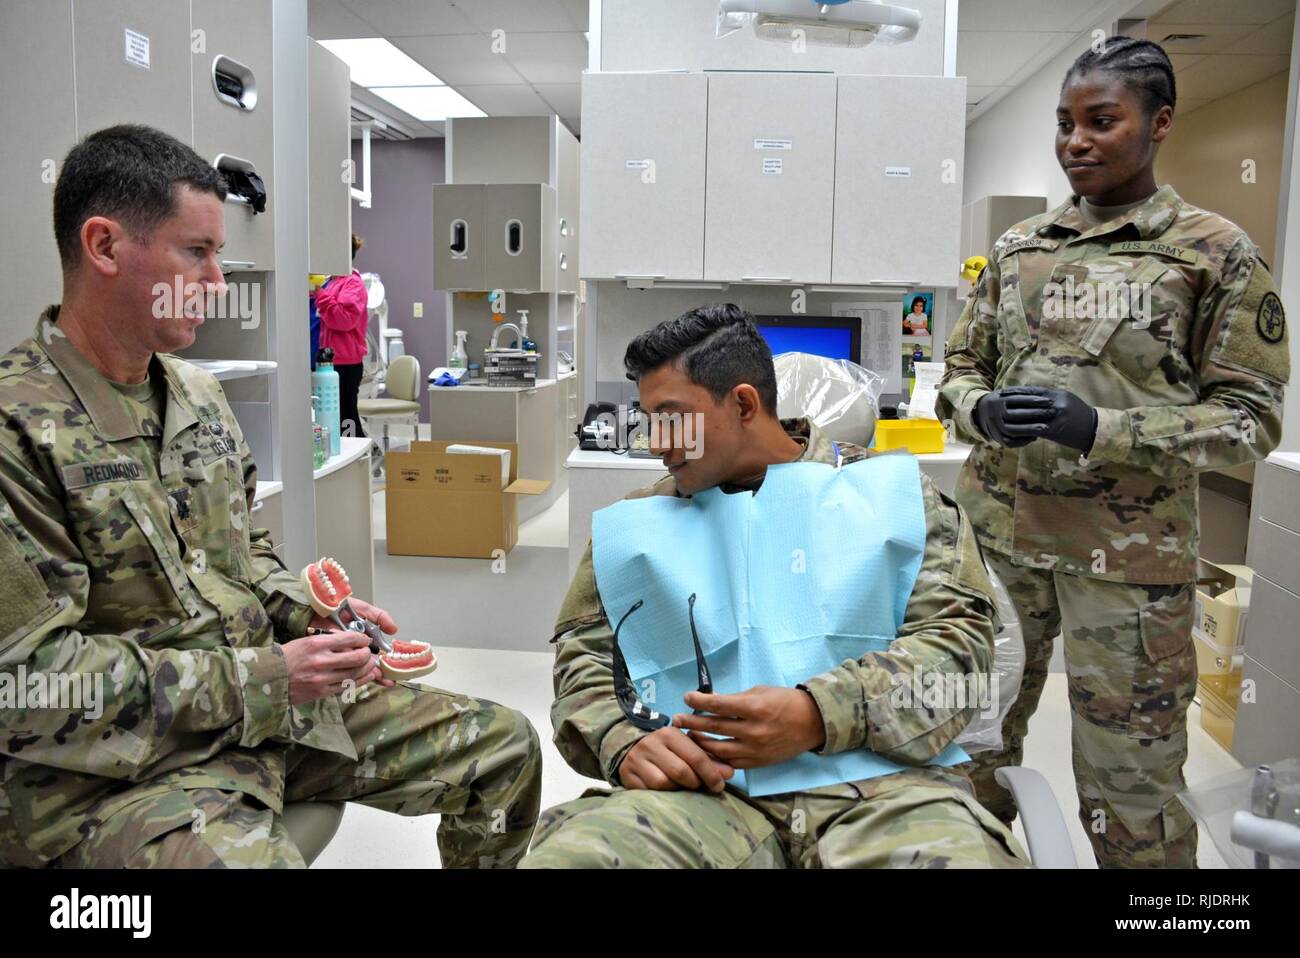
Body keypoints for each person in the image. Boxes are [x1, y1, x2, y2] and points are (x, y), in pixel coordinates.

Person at [0, 125, 541, 868]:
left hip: (263, 714)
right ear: (104, 247)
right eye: (197, 252)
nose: (219, 283)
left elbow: (240, 557)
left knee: (505, 751)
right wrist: (269, 674)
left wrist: (312, 615)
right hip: (113, 778)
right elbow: (28, 688)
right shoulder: (16, 432)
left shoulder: (196, 397)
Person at [936, 38, 1290, 868]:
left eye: (1101, 122)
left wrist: (1099, 429)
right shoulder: (1021, 248)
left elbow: (1250, 420)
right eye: (1065, 125)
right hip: (998, 546)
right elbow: (958, 370)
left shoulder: (1214, 255)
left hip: (1128, 568)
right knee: (964, 751)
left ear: (1159, 123)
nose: (1076, 142)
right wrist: (979, 409)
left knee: (1130, 792)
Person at [520, 304, 1027, 869]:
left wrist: (819, 714)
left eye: (671, 418)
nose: (656, 443)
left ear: (742, 404)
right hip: (703, 798)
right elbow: (584, 664)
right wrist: (622, 738)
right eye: (647, 420)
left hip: (886, 792)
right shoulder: (637, 526)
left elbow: (961, 654)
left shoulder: (890, 497)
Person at [315, 235, 369, 438]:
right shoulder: (333, 282)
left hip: (346, 364)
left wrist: (320, 294)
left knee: (346, 416)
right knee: (334, 417)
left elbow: (344, 319)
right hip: (330, 362)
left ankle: (360, 458)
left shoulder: (353, 284)